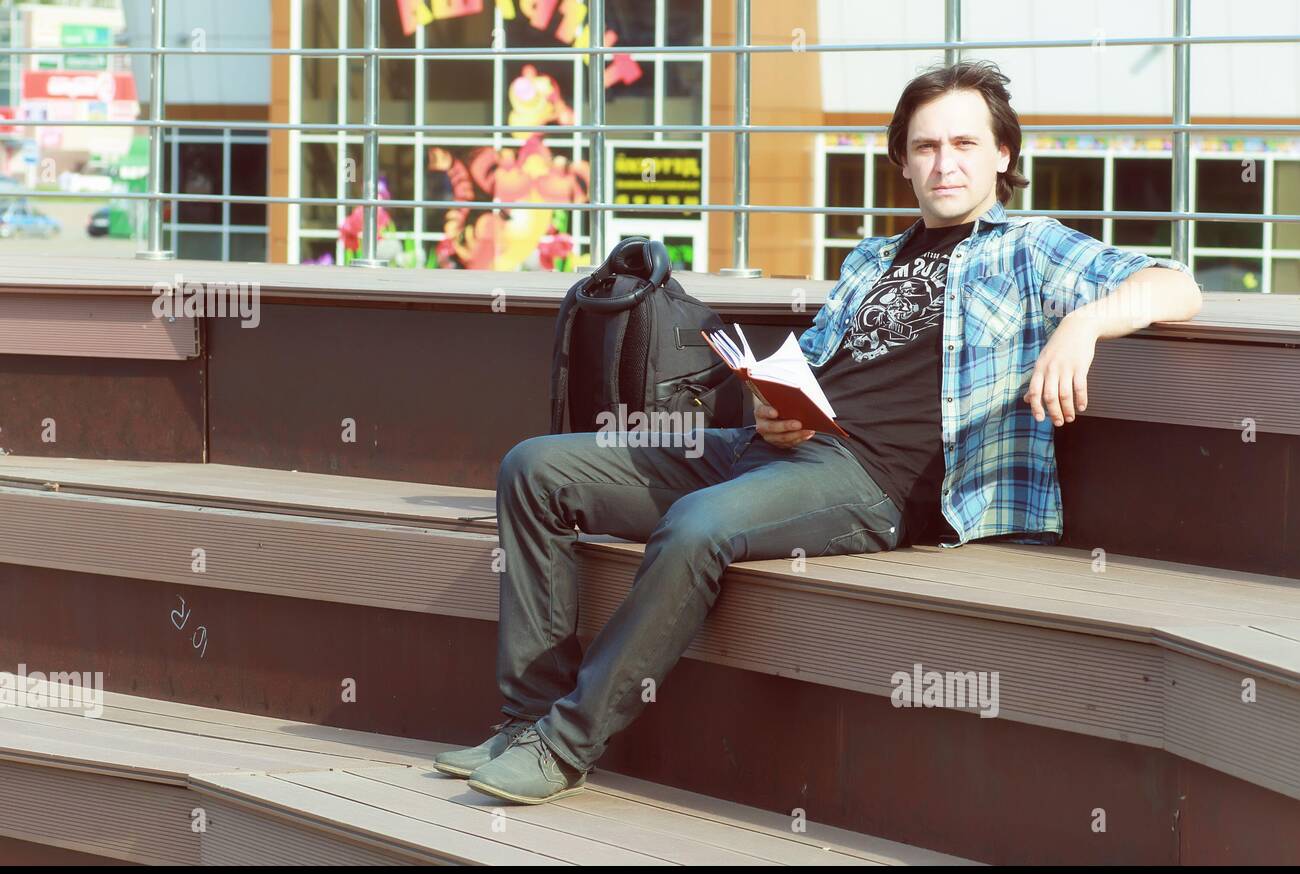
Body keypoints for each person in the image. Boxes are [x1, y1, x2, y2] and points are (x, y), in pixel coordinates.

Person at [434, 60, 1203, 805]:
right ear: (902, 161)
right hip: (779, 450)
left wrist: (1084, 322)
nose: (945, 163)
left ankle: (565, 744)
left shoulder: (1028, 247)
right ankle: (523, 719)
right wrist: (776, 405)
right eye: (927, 146)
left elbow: (1177, 285)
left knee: (697, 524)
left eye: (966, 144)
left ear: (1003, 155)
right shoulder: (873, 256)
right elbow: (818, 365)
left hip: (873, 484)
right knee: (534, 469)